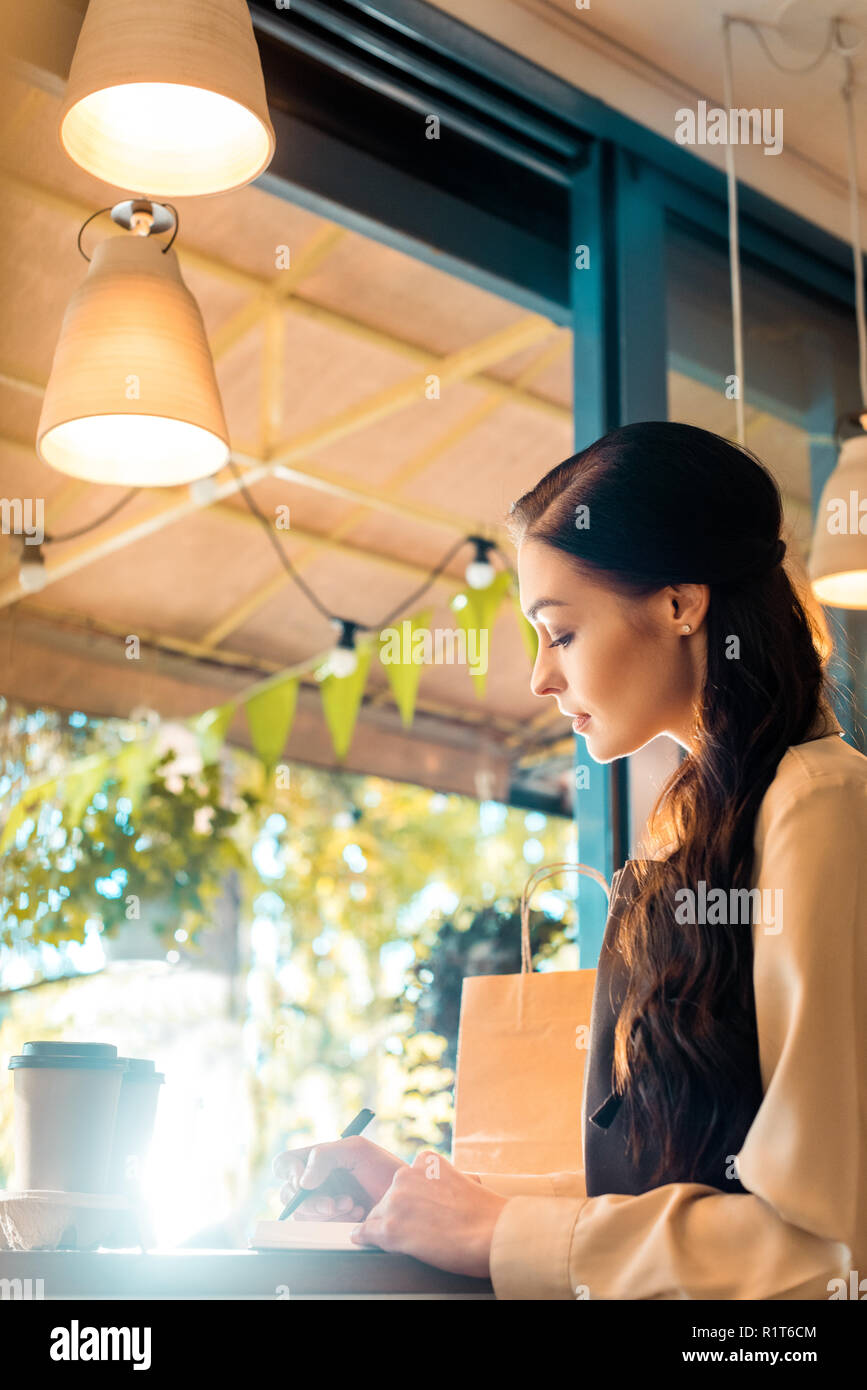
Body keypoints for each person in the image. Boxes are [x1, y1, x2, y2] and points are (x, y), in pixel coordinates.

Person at [273, 421, 867, 1300]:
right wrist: (431, 1198)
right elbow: (675, 1197)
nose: (539, 681)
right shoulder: (692, 843)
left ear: (679, 605)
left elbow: (829, 1254)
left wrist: (502, 1233)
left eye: (559, 633)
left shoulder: (819, 811)